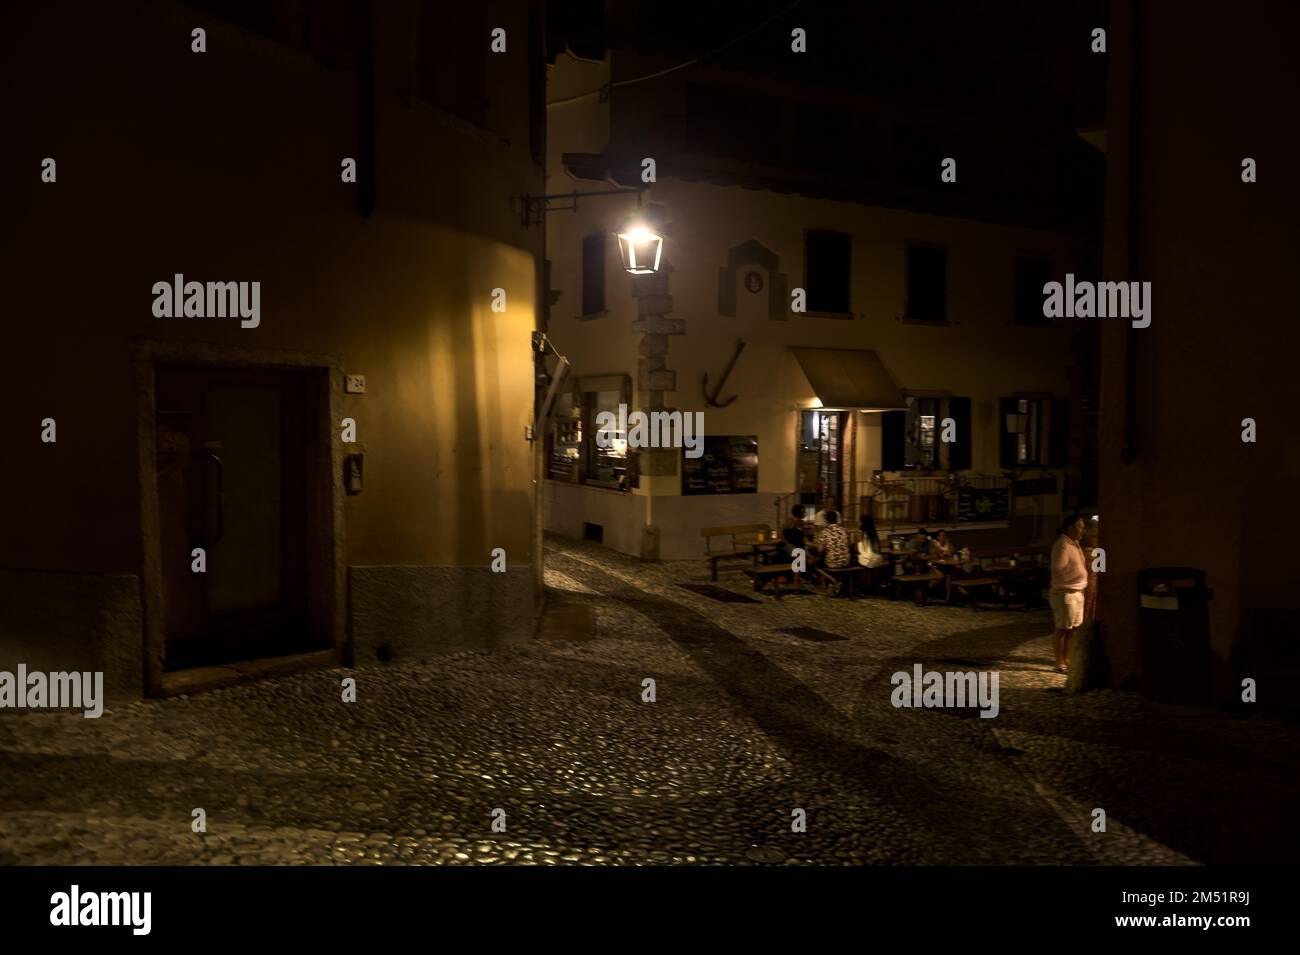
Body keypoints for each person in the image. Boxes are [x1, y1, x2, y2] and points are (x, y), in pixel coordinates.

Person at [1050, 514, 1088, 673]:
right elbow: (1058, 568)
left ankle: (1067, 659)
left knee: (1073, 629)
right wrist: (1074, 576)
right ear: (1069, 527)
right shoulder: (1063, 545)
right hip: (1066, 592)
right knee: (1062, 628)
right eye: (1079, 526)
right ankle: (1059, 662)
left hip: (1077, 591)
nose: (1082, 530)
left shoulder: (1075, 544)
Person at [856, 514, 888, 594]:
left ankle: (862, 587)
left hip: (866, 560)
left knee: (855, 560)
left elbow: (858, 549)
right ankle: (879, 585)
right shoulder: (873, 533)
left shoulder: (860, 533)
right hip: (877, 560)